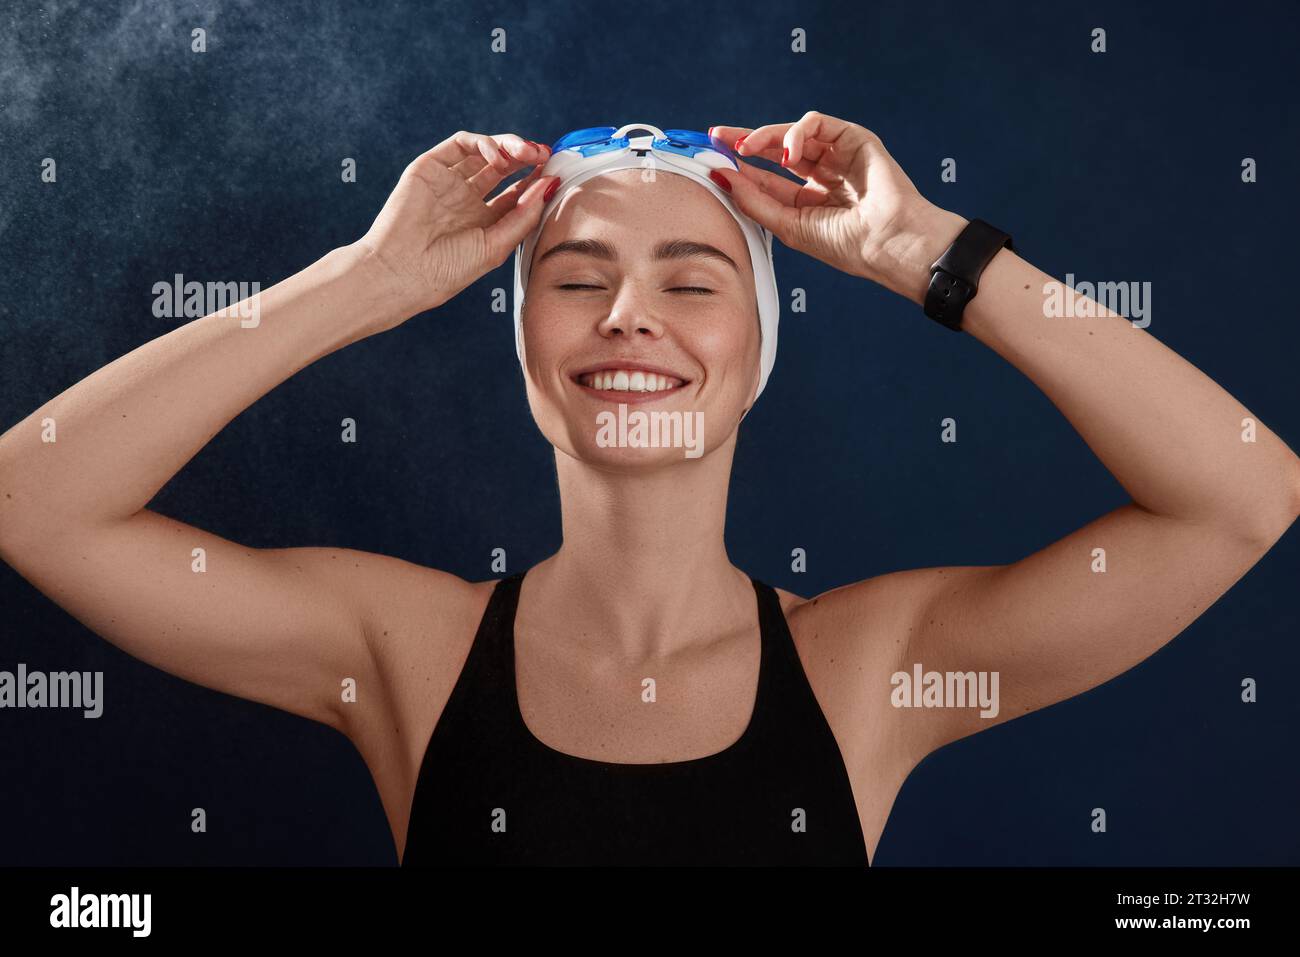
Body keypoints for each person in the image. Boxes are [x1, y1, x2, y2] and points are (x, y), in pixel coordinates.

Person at [0, 112, 1296, 867]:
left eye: (690, 280)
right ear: (524, 348)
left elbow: (1244, 494)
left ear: (754, 359)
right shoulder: (400, 648)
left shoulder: (874, 667)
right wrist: (366, 280)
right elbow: (32, 501)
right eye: (576, 279)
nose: (629, 316)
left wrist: (922, 252)